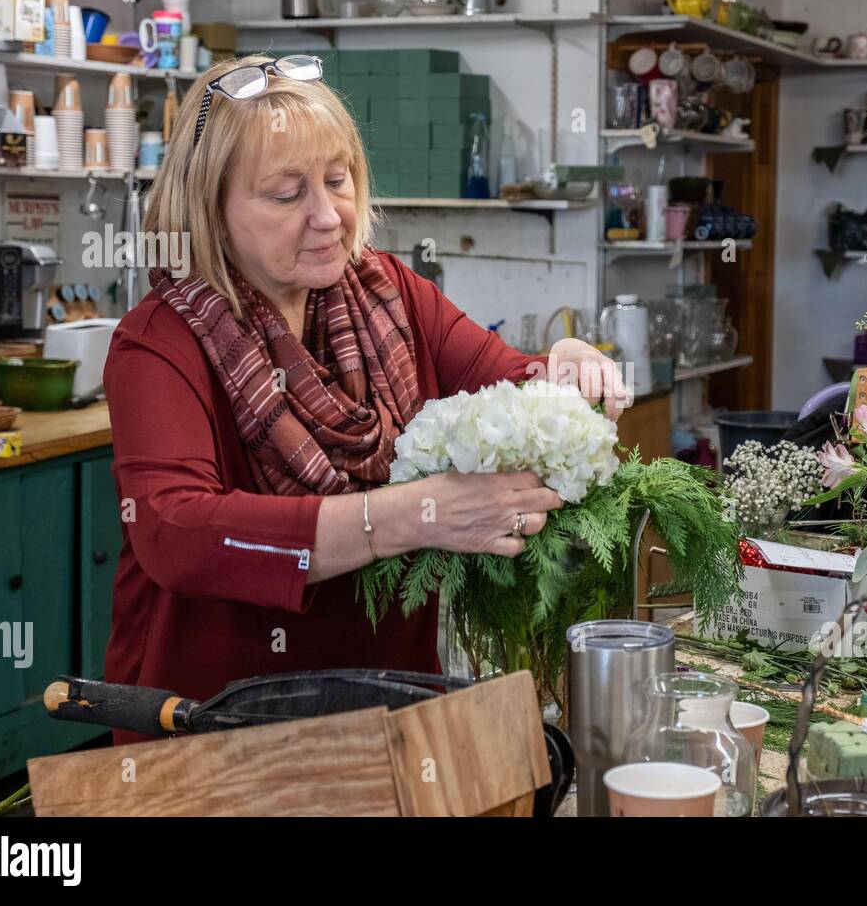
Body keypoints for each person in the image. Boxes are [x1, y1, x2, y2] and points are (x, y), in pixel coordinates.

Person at [102, 54, 625, 744]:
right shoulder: (159, 343)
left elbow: (504, 378)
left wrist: (564, 374)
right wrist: (411, 516)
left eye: (338, 179)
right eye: (286, 195)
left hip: (390, 705)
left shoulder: (388, 294)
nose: (329, 217)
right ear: (210, 208)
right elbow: (178, 533)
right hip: (220, 724)